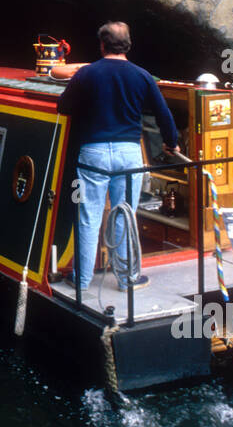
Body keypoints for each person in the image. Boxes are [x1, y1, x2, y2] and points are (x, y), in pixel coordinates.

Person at [56, 22, 180, 292]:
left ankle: (82, 280)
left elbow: (63, 107)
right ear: (129, 45)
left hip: (94, 152)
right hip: (129, 152)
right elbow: (164, 115)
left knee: (89, 216)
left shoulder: (87, 74)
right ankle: (127, 279)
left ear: (102, 45)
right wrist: (171, 143)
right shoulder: (143, 76)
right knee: (125, 213)